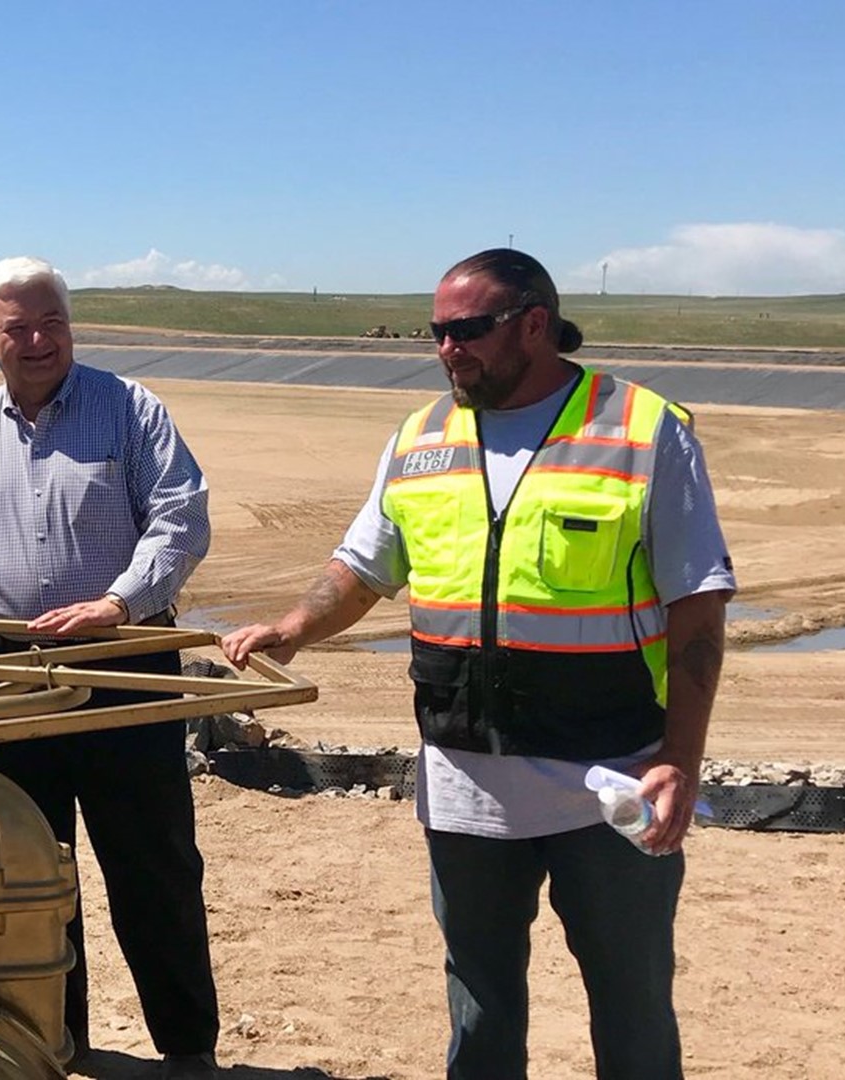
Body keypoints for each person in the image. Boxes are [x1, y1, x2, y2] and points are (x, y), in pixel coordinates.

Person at [220, 248, 733, 1080]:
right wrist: (293, 627)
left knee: (631, 1002)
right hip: (465, 783)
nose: (446, 350)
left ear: (534, 324)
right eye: (437, 332)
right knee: (480, 1003)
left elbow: (698, 609)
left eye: (467, 330)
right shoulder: (422, 437)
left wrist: (681, 756)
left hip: (614, 777)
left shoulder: (642, 431)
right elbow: (363, 568)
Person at [0, 256, 220, 1079]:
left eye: (51, 324)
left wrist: (120, 603)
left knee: (154, 865)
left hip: (123, 664)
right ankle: (58, 1042)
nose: (37, 342)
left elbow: (180, 519)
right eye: (18, 329)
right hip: (8, 678)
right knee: (29, 872)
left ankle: (187, 1049)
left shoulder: (129, 410)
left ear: (72, 328)